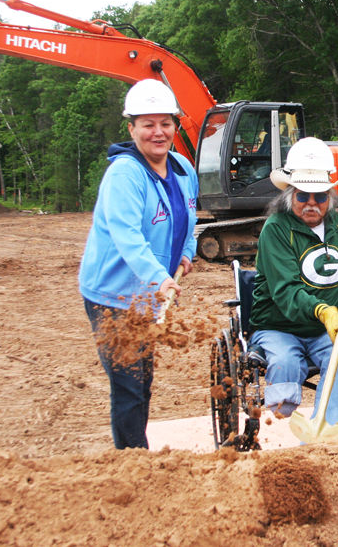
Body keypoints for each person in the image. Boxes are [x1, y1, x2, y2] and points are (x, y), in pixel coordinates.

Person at [79, 79, 199, 449]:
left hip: (149, 294)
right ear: (132, 128)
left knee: (143, 377)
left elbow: (190, 220)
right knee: (129, 383)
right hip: (113, 295)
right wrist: (159, 279)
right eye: (148, 124)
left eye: (165, 123)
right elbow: (126, 236)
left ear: (175, 126)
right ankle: (133, 461)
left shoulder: (182, 168)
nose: (158, 132)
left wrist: (186, 253)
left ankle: (135, 453)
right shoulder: (125, 175)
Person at [248, 137, 338, 426]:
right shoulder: (276, 230)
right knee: (286, 364)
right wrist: (324, 311)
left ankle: (325, 431)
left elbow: (336, 268)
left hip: (326, 332)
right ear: (290, 194)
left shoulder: (333, 223)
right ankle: (285, 409)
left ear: (330, 196)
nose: (312, 204)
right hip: (279, 328)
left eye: (320, 196)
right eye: (303, 196)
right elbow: (286, 292)